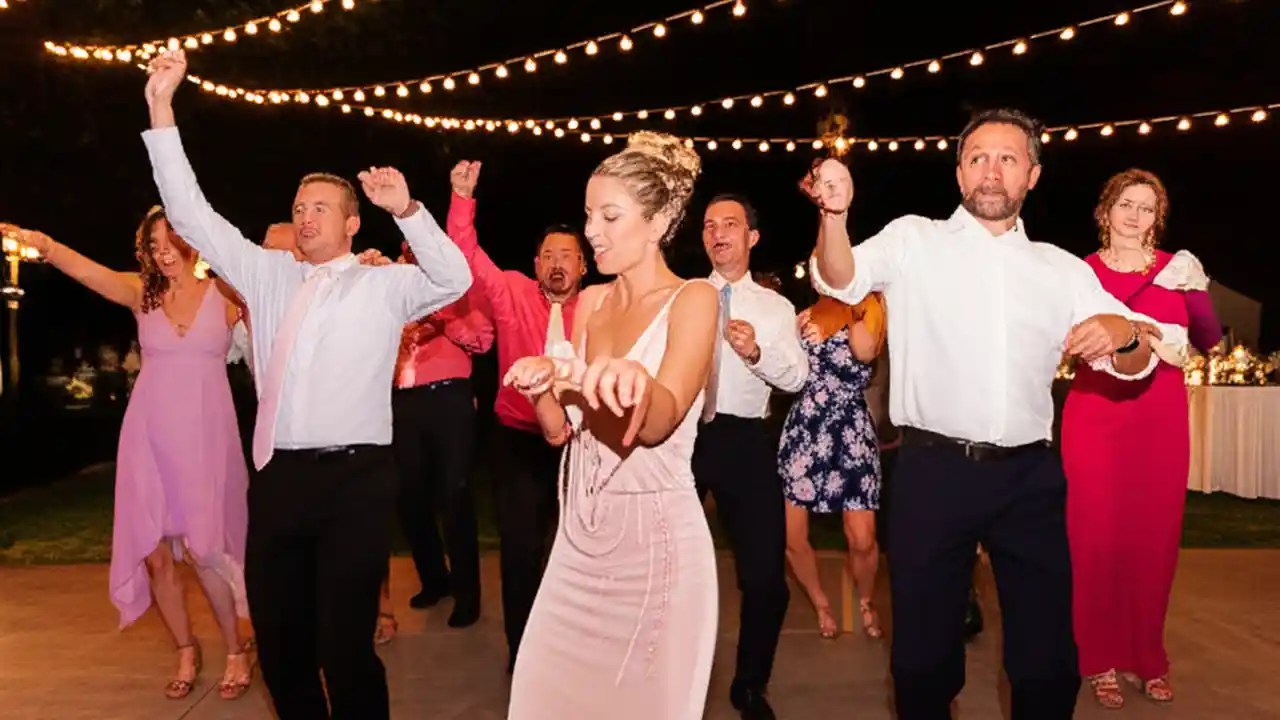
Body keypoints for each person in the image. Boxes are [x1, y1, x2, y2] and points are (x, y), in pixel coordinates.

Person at [806, 109, 1183, 720]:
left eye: (1007, 158)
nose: (991, 170)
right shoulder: (912, 240)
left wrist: (1120, 331)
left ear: (1031, 175)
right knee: (924, 663)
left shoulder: (1061, 269)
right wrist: (834, 215)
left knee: (1048, 663)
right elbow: (841, 278)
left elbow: (1137, 362)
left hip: (1030, 480)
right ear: (959, 174)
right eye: (978, 157)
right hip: (933, 472)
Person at [141, 50, 472, 720]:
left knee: (344, 651)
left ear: (352, 223)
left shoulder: (385, 284)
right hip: (282, 480)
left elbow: (453, 280)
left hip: (357, 481)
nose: (307, 215)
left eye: (322, 206)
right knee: (284, 651)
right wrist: (160, 107)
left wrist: (408, 209)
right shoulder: (267, 275)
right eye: (300, 206)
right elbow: (192, 212)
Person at [501, 130, 719, 719]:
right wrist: (546, 385)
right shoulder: (592, 303)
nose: (591, 230)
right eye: (589, 214)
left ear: (659, 219)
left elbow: (658, 420)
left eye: (609, 215)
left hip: (655, 547)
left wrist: (633, 383)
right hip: (578, 540)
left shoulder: (695, 299)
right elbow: (561, 431)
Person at [5, 211, 254, 701]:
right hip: (149, 437)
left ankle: (235, 648)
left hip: (206, 438)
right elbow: (86, 270)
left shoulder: (227, 296)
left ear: (193, 242)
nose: (162, 251)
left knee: (206, 551)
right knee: (155, 554)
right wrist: (45, 244)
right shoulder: (143, 293)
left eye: (172, 240)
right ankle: (185, 648)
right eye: (153, 243)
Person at [1061, 168, 1221, 708]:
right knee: (1095, 539)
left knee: (1153, 540)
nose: (1135, 216)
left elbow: (1208, 340)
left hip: (1161, 420)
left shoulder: (1177, 269)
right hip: (1096, 415)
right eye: (1126, 204)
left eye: (1147, 208)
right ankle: (1097, 658)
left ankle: (1147, 656)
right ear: (1105, 212)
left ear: (1158, 218)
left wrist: (1196, 290)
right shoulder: (1080, 273)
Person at [440, 159, 591, 671]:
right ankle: (522, 652)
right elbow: (465, 257)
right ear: (534, 262)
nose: (557, 263)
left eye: (567, 255)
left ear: (583, 266)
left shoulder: (597, 307)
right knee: (521, 550)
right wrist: (463, 198)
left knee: (579, 549)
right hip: (518, 441)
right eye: (548, 254)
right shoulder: (511, 293)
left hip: (580, 445)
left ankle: (575, 645)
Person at [696, 193, 808, 720]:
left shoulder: (774, 307)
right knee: (666, 568)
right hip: (681, 439)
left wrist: (756, 352)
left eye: (731, 224)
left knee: (765, 579)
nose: (719, 233)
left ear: (751, 237)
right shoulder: (683, 297)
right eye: (710, 225)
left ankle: (749, 686)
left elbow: (798, 376)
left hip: (744, 441)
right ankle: (667, 678)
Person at [387, 237, 493, 630]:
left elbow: (483, 339)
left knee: (454, 494)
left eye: (419, 250)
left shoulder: (456, 287)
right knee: (410, 496)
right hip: (402, 400)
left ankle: (467, 595)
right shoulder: (394, 288)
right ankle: (435, 579)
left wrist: (442, 318)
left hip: (447, 396)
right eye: (407, 251)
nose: (411, 257)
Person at [779, 293, 886, 639]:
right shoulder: (805, 315)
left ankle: (866, 599)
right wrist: (789, 335)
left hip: (851, 429)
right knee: (793, 535)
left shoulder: (871, 309)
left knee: (863, 538)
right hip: (806, 426)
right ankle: (821, 602)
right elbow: (786, 370)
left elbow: (865, 352)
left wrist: (849, 311)